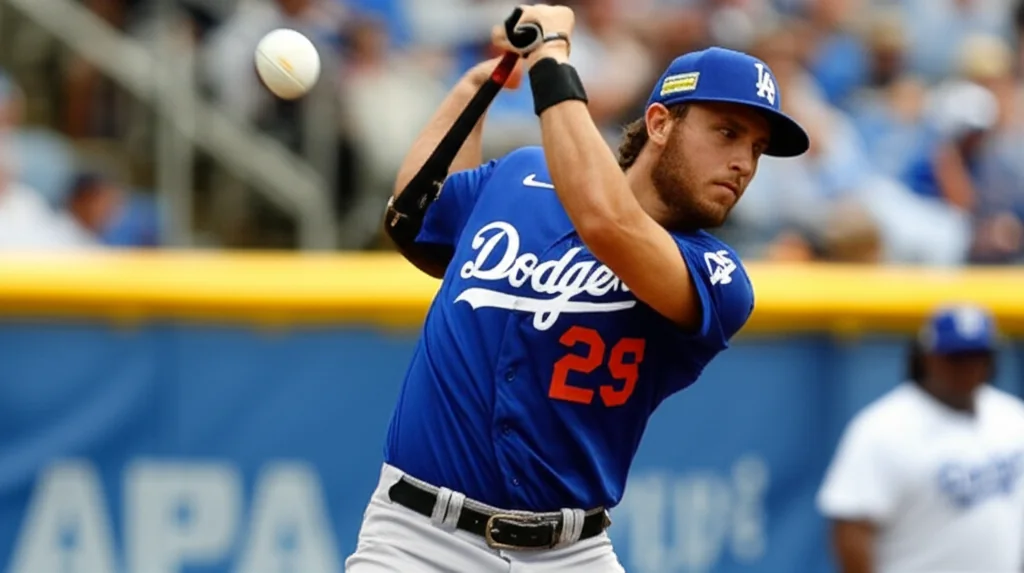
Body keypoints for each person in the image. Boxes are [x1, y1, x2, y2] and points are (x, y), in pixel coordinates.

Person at [345, 4, 809, 572]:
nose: (743, 163)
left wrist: (549, 56)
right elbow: (417, 215)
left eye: (757, 149)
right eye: (727, 133)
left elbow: (606, 221)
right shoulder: (519, 176)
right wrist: (483, 82)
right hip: (418, 539)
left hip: (570, 554)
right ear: (660, 123)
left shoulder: (718, 276)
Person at [816, 303, 1024, 573]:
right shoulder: (882, 429)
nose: (969, 367)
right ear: (928, 357)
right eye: (957, 357)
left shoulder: (1012, 416)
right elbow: (852, 529)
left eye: (978, 356)